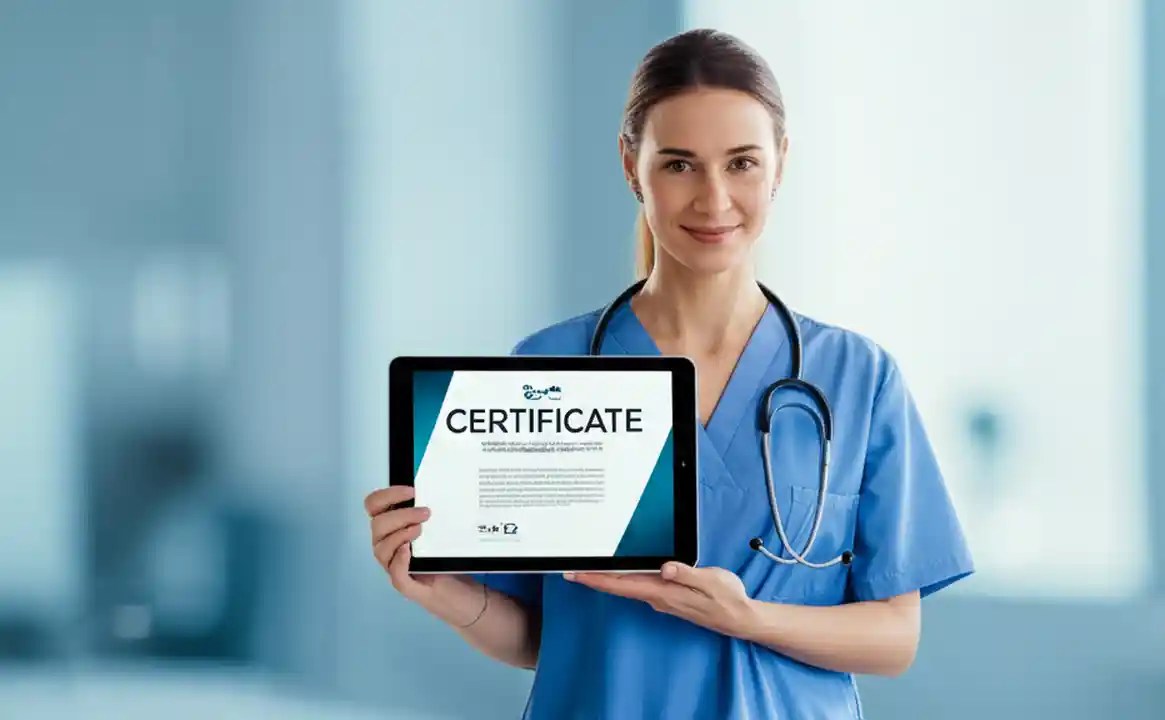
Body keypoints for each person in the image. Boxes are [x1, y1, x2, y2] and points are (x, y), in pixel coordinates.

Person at [363, 28, 974, 719]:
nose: (714, 200)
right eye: (680, 165)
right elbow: (544, 636)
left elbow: (894, 638)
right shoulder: (549, 369)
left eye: (741, 163)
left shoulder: (856, 378)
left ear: (780, 164)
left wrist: (748, 619)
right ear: (632, 167)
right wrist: (440, 591)